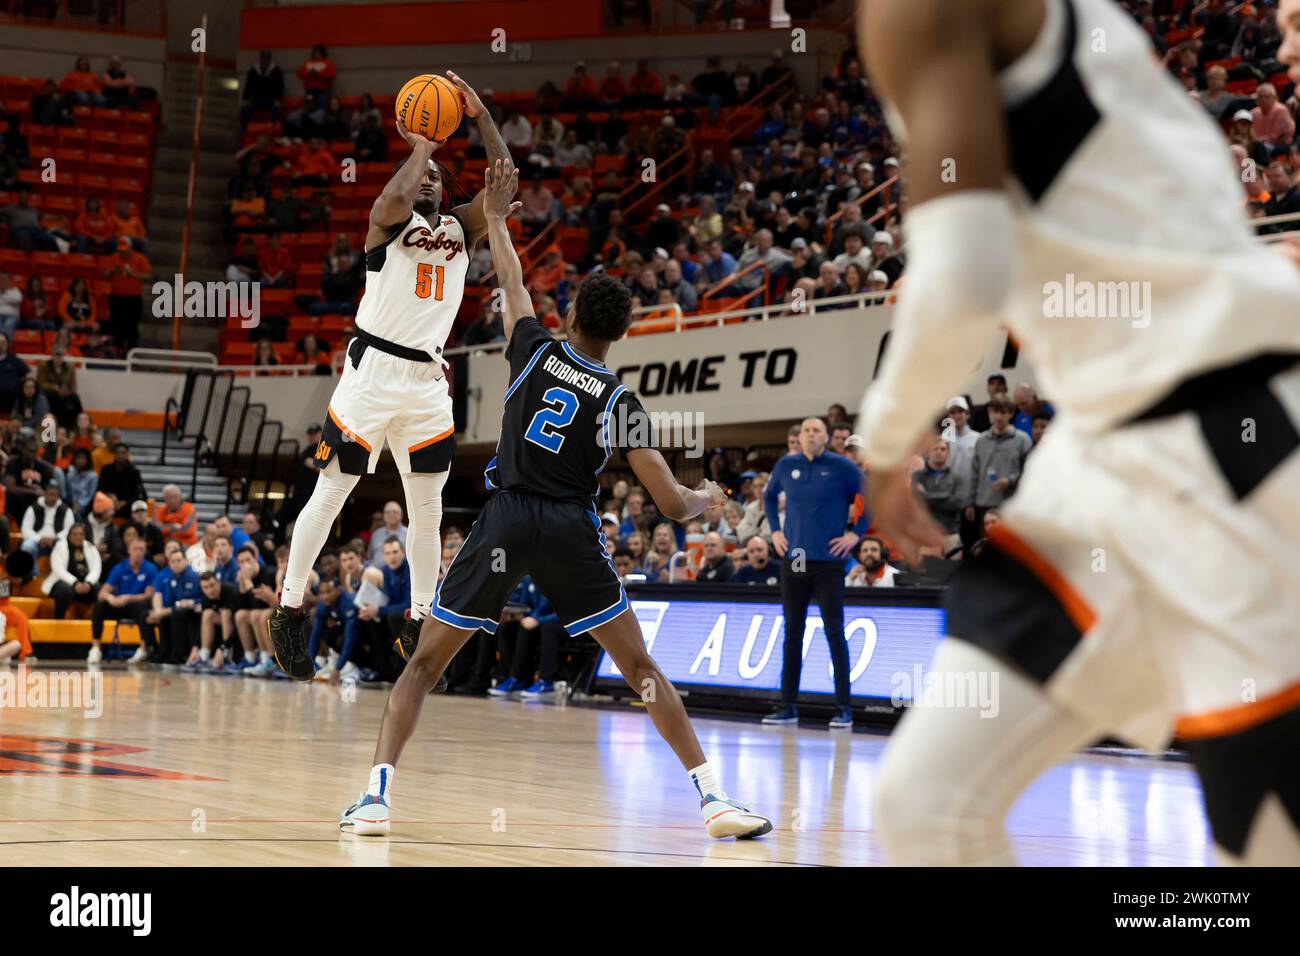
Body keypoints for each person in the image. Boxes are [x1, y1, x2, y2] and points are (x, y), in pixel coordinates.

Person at [855, 0, 1300, 867]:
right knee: (925, 804)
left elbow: (962, 276)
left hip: (1228, 445)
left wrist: (883, 443)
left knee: (1263, 860)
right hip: (1103, 464)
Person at [334, 159, 771, 841]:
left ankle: (375, 799)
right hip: (571, 527)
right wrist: (703, 495)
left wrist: (500, 220)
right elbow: (669, 505)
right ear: (620, 336)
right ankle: (714, 799)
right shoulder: (621, 401)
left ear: (568, 315)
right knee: (641, 669)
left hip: (507, 516)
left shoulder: (533, 348)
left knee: (422, 663)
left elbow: (509, 278)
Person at [268, 71, 509, 676]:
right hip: (371, 371)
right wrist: (422, 146)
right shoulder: (387, 226)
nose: (425, 180)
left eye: (434, 177)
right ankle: (290, 608)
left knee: (427, 510)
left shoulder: (460, 227)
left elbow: (505, 184)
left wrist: (479, 118)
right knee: (332, 492)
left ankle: (419, 619)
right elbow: (385, 203)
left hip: (428, 381)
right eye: (418, 175)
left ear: (446, 190)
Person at [761, 417, 868, 729]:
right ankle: (787, 706)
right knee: (792, 632)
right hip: (795, 559)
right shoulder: (786, 465)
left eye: (816, 430)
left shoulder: (841, 466)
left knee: (835, 632)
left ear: (827, 437)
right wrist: (776, 531)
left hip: (827, 563)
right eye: (806, 430)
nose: (810, 435)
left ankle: (844, 708)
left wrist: (855, 534)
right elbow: (769, 496)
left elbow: (872, 495)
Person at [88, 537, 157, 666]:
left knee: (142, 608)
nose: (138, 552)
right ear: (129, 550)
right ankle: (96, 648)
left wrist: (128, 597)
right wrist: (111, 598)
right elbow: (102, 593)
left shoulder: (150, 568)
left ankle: (143, 649)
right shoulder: (120, 568)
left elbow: (148, 595)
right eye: (135, 549)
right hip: (120, 605)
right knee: (100, 606)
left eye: (142, 549)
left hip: (137, 605)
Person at [43, 522, 102, 620]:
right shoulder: (60, 546)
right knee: (64, 589)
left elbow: (97, 568)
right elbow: (58, 569)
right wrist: (74, 583)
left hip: (85, 586)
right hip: (64, 584)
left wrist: (89, 583)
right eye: (74, 534)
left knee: (100, 589)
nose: (78, 537)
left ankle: (96, 623)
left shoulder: (91, 547)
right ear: (69, 535)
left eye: (80, 534)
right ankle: (59, 621)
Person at [21, 481, 73, 557]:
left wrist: (56, 538)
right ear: (44, 494)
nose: (52, 498)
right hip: (36, 540)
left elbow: (69, 529)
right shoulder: (33, 508)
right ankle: (33, 569)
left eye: (55, 495)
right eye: (50, 494)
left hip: (58, 541)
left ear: (58, 496)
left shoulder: (66, 510)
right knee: (27, 547)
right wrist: (39, 539)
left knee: (64, 548)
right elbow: (25, 529)